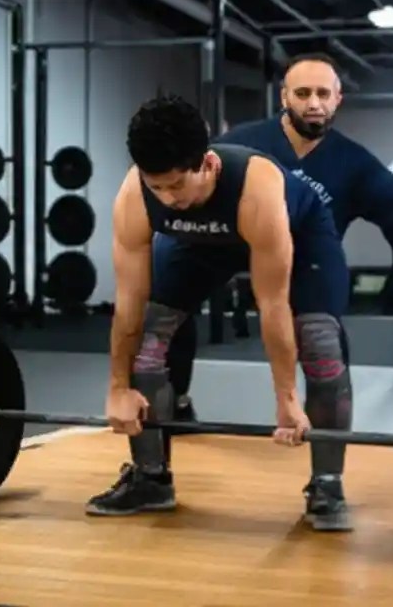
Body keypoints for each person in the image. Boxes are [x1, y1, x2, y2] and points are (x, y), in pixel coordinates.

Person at [165, 53, 393, 437]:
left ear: (337, 100)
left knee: (323, 347)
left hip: (306, 261)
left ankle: (327, 467)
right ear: (284, 97)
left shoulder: (351, 161)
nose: (313, 103)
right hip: (223, 246)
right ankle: (172, 414)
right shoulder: (239, 144)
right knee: (158, 319)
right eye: (302, 93)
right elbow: (190, 185)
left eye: (322, 94)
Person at [84, 95, 353, 532]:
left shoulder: (256, 187)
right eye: (157, 188)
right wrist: (117, 387)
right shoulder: (136, 195)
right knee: (150, 338)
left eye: (176, 185)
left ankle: (327, 484)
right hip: (201, 241)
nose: (167, 198)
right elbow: (129, 302)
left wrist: (286, 398)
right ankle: (151, 479)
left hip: (299, 237)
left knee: (320, 343)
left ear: (207, 165)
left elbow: (272, 303)